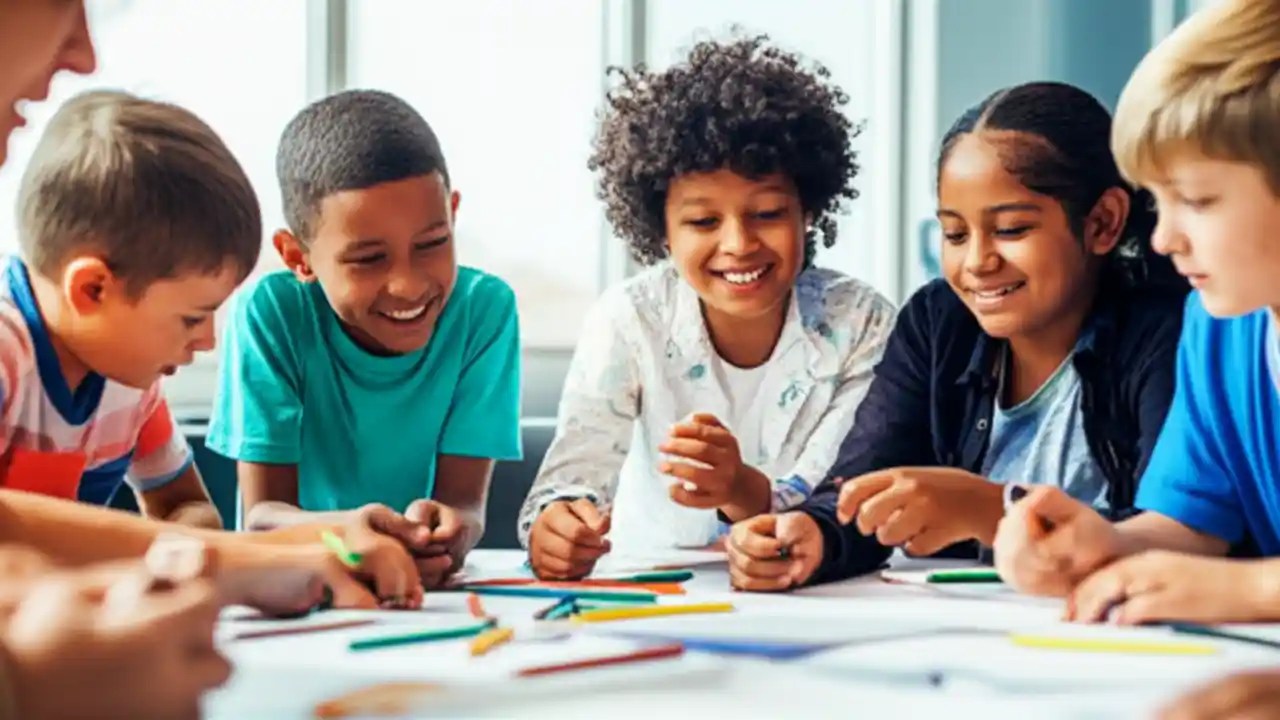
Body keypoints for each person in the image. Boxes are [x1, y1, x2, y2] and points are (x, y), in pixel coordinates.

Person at [727, 81, 1188, 591]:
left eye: (1012, 230)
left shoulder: (1168, 337)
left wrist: (993, 509)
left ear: (1102, 223)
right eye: (955, 234)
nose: (977, 263)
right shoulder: (936, 323)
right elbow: (860, 484)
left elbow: (1183, 537)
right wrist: (813, 534)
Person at [520, 35, 895, 580]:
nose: (739, 243)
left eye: (767, 213)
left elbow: (840, 500)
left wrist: (741, 488)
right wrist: (556, 526)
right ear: (661, 231)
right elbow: (573, 474)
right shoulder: (630, 319)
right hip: (652, 591)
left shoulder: (861, 323)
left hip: (817, 591)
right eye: (702, 222)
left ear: (807, 210)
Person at [992, 0, 1280, 628]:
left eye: (1198, 200)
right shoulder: (1218, 325)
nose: (1162, 238)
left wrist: (1251, 592)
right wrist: (1107, 547)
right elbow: (1193, 524)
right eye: (1158, 200)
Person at [207, 89, 523, 588]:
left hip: (421, 595)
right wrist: (349, 533)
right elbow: (263, 516)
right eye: (369, 259)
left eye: (433, 243)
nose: (409, 285)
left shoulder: (486, 311)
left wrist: (449, 534)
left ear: (453, 213)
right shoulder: (271, 315)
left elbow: (465, 504)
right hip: (303, 588)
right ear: (298, 257)